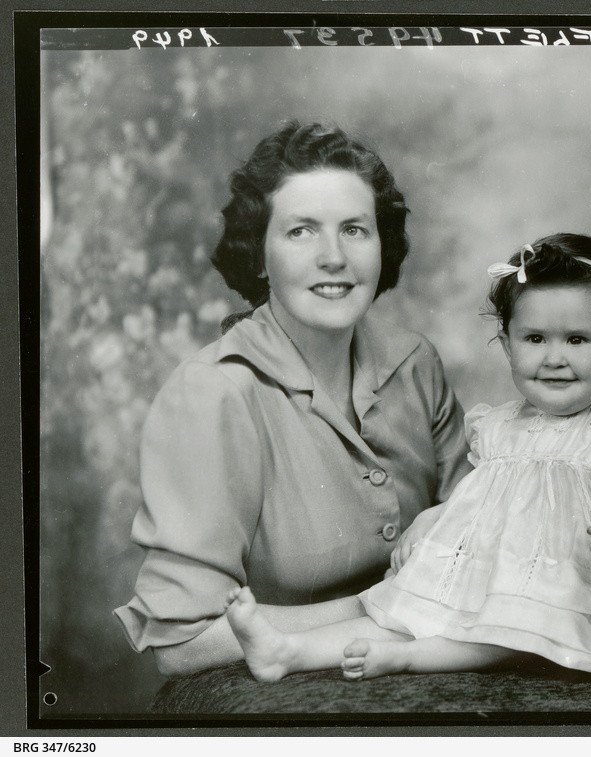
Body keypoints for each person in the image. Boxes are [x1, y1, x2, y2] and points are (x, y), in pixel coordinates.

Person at [223, 233, 591, 681]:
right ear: (507, 344)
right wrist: (428, 523)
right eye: (534, 339)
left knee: (514, 621)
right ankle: (289, 651)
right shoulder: (498, 429)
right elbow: (472, 503)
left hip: (578, 599)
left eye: (576, 340)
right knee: (404, 609)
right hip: (494, 581)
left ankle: (411, 658)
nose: (554, 358)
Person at [113, 121, 473, 677]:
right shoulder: (212, 393)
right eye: (301, 231)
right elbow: (183, 643)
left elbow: (479, 530)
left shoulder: (415, 362)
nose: (334, 257)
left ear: (382, 246)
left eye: (355, 229)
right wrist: (381, 608)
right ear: (259, 255)